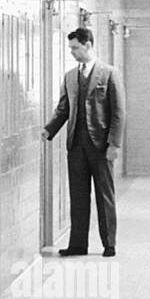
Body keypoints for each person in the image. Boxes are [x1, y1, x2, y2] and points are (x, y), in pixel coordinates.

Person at [40, 27, 125, 257]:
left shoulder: (109, 73)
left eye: (75, 48)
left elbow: (118, 113)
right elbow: (63, 109)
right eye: (71, 48)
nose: (72, 52)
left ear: (88, 45)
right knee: (78, 195)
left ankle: (109, 243)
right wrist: (49, 130)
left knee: (104, 195)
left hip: (101, 146)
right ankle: (78, 244)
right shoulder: (70, 77)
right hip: (76, 146)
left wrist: (114, 145)